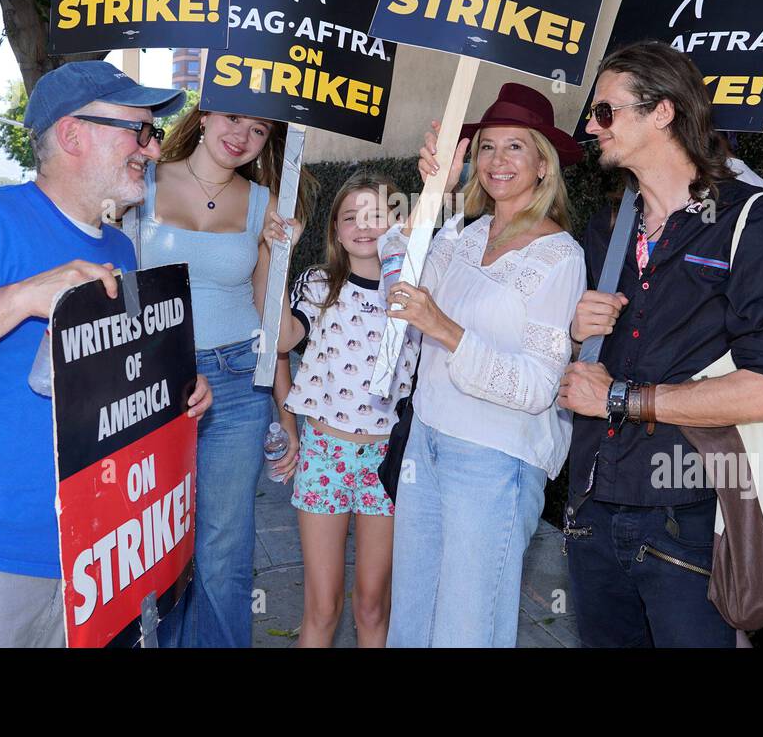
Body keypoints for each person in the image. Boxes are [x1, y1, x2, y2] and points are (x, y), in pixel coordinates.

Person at [0, 60, 212, 647]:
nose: (152, 150)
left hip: (92, 567)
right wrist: (23, 296)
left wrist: (172, 395)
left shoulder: (120, 250)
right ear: (73, 134)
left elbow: (103, 393)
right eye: (140, 131)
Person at [556, 40, 763, 648]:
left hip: (689, 518)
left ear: (663, 112)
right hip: (592, 509)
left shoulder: (754, 221)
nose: (591, 127)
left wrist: (621, 398)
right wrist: (575, 334)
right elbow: (580, 375)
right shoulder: (608, 228)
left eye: (607, 112)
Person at [382, 83, 587, 648]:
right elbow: (400, 282)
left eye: (515, 147)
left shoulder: (560, 255)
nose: (497, 161)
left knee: (466, 631)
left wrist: (446, 330)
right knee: (412, 619)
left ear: (544, 165)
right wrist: (435, 190)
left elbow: (538, 386)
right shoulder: (466, 234)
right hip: (426, 440)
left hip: (495, 461)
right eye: (487, 147)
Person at [133, 106, 313, 648]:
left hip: (237, 383)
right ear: (205, 116)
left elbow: (277, 336)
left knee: (224, 548)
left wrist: (279, 255)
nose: (243, 135)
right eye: (233, 118)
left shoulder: (264, 204)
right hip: (151, 381)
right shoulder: (138, 182)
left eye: (259, 129)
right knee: (154, 542)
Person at [266, 170, 416, 647]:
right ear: (335, 230)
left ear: (399, 222)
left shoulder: (417, 294)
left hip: (388, 465)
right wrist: (275, 258)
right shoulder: (319, 285)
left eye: (376, 215)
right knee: (322, 604)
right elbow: (283, 339)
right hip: (325, 456)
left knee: (373, 602)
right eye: (349, 216)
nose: (363, 225)